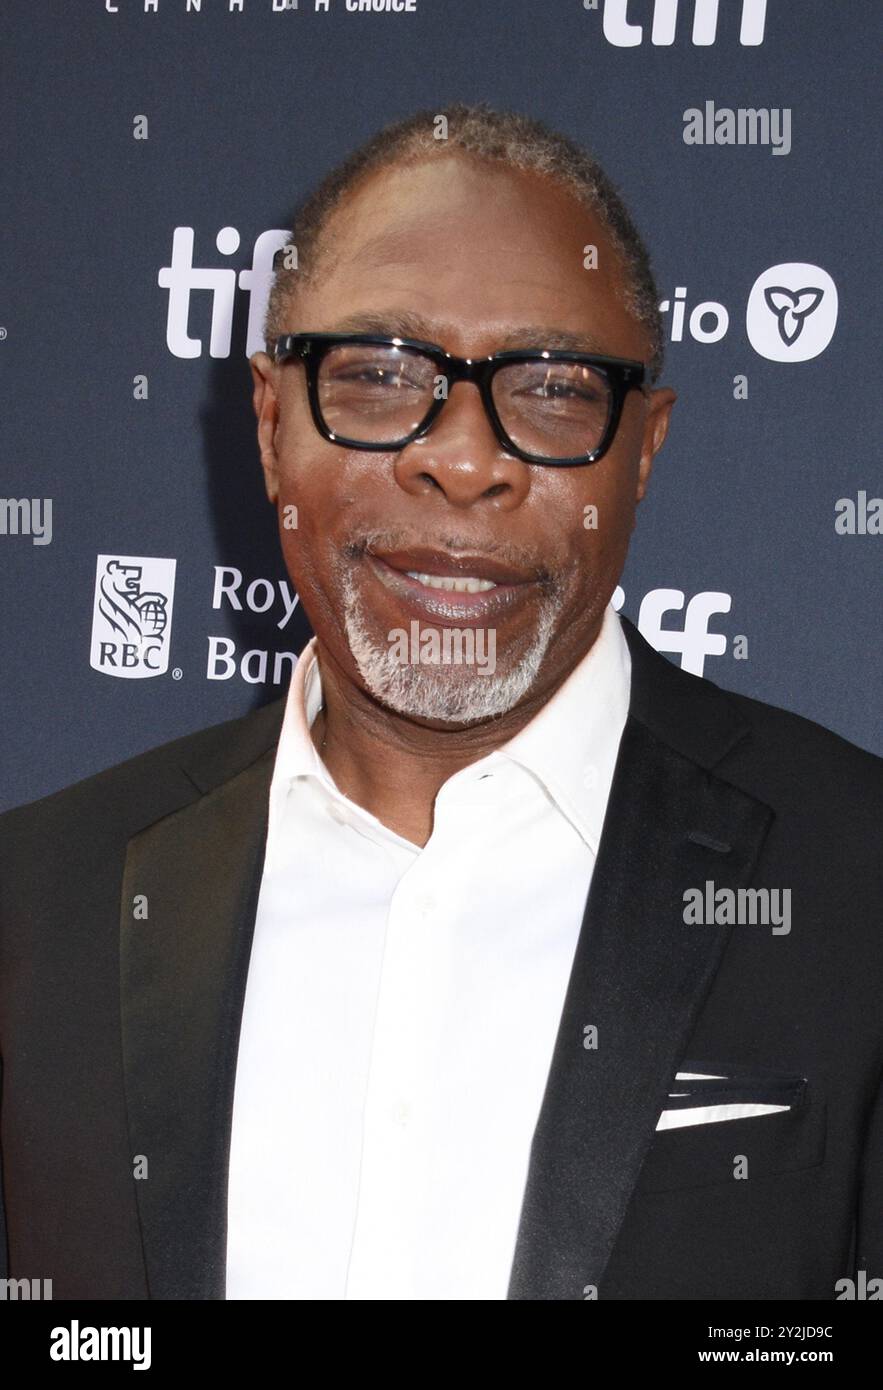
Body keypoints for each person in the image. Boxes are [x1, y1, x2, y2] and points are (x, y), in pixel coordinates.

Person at [0, 103, 880, 1301]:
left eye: (556, 387)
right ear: (268, 425)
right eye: (378, 375)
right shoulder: (38, 903)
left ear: (645, 449)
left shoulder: (855, 883)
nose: (464, 458)